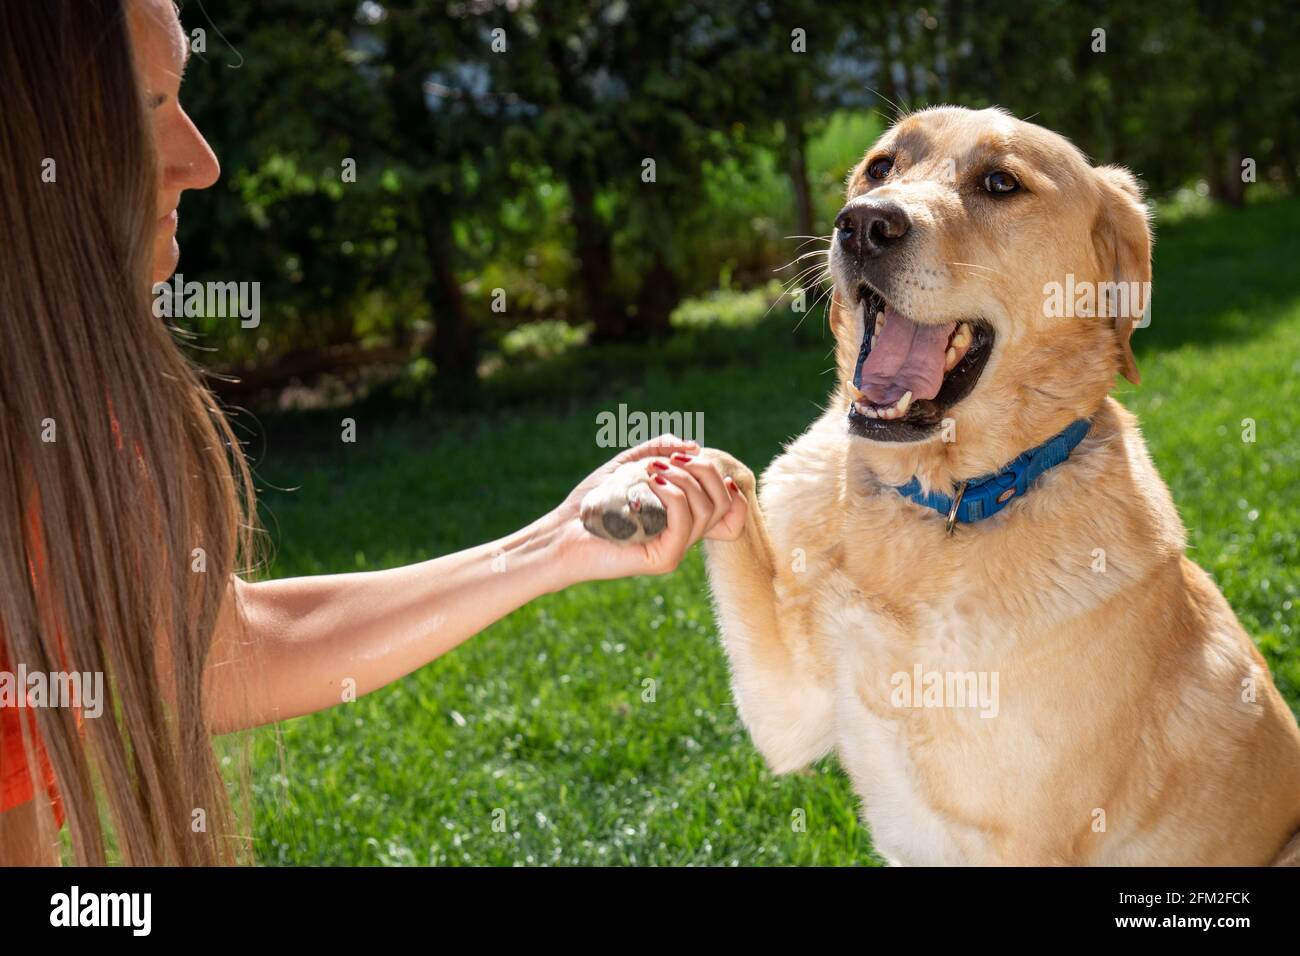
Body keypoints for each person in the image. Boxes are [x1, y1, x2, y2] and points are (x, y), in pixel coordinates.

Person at [0, 0, 745, 866]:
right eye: (148, 109)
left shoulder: (61, 393)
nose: (202, 163)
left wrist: (554, 546)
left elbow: (203, 651)